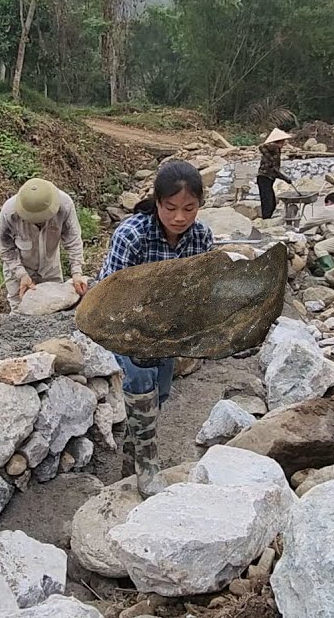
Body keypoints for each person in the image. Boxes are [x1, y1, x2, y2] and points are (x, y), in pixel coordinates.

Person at [98, 160, 212, 497]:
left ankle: (128, 465)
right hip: (122, 324)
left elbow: (200, 291)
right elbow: (109, 295)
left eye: (189, 208)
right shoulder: (132, 234)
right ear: (158, 203)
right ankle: (148, 466)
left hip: (166, 329)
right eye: (171, 208)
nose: (180, 217)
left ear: (199, 205)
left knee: (158, 394)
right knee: (138, 380)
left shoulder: (201, 237)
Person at [0, 178, 88, 311]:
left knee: (56, 309)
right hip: (18, 269)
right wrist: (21, 274)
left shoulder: (64, 205)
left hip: (51, 267)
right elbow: (4, 247)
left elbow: (73, 240)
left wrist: (77, 272)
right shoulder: (9, 213)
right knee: (20, 313)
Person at [256, 128, 293, 220]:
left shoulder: (275, 152)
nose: (284, 144)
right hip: (264, 177)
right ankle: (266, 220)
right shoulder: (274, 148)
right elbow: (262, 146)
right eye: (283, 142)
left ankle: (268, 219)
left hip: (269, 178)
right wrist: (285, 178)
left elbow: (275, 170)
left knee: (271, 202)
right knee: (268, 202)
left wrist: (285, 179)